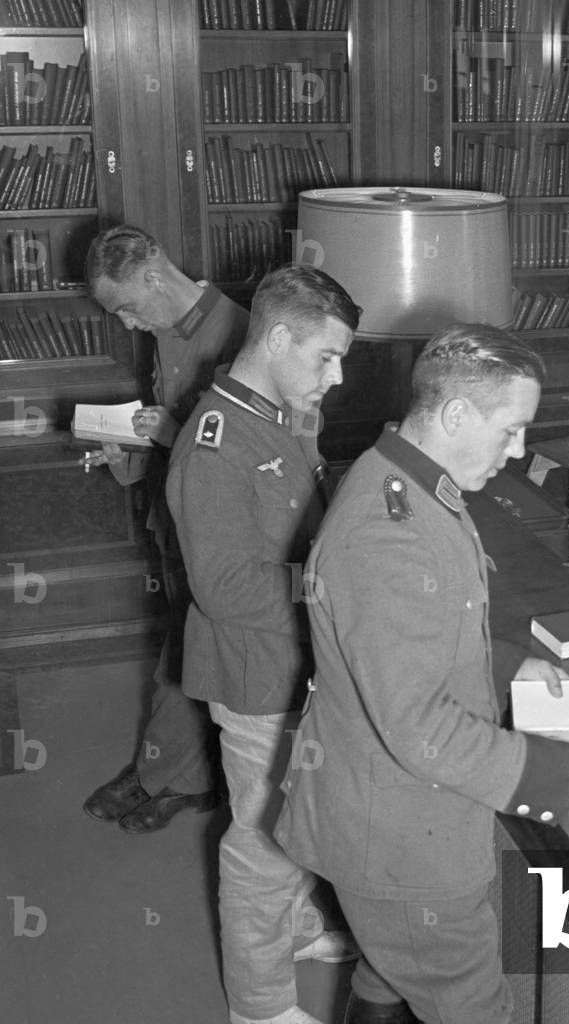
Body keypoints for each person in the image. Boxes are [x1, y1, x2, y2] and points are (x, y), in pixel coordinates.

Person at [273, 323, 569, 1024]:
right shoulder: (387, 531)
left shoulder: (404, 479)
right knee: (474, 1008)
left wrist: (509, 666)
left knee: (387, 980)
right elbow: (419, 729)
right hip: (404, 843)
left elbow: (412, 636)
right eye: (510, 429)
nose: (520, 449)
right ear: (454, 415)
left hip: (383, 818)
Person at [165, 265, 362, 1024]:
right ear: (278, 338)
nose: (336, 377)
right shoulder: (217, 442)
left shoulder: (266, 414)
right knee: (262, 839)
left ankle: (299, 929)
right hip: (255, 678)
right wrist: (327, 587)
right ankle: (259, 1003)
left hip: (291, 667)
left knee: (302, 815)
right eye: (326, 357)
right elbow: (225, 589)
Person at [81, 224, 249, 834]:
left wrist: (169, 434)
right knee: (184, 649)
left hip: (218, 530)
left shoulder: (236, 331)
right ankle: (185, 778)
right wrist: (126, 450)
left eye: (126, 308)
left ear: (153, 278)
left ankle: (168, 778)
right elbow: (171, 426)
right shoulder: (168, 326)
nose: (127, 325)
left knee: (188, 654)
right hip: (174, 519)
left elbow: (253, 450)